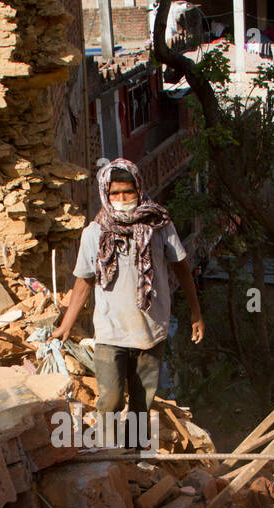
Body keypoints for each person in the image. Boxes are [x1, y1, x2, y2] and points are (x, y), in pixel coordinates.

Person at [53, 158, 203, 447]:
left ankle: (133, 457)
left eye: (128, 192)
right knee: (109, 400)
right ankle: (107, 454)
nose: (122, 200)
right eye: (115, 194)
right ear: (105, 194)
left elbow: (181, 267)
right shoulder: (95, 232)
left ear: (139, 189)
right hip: (110, 331)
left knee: (140, 403)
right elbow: (84, 281)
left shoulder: (160, 225)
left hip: (150, 330)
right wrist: (66, 325)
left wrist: (196, 312)